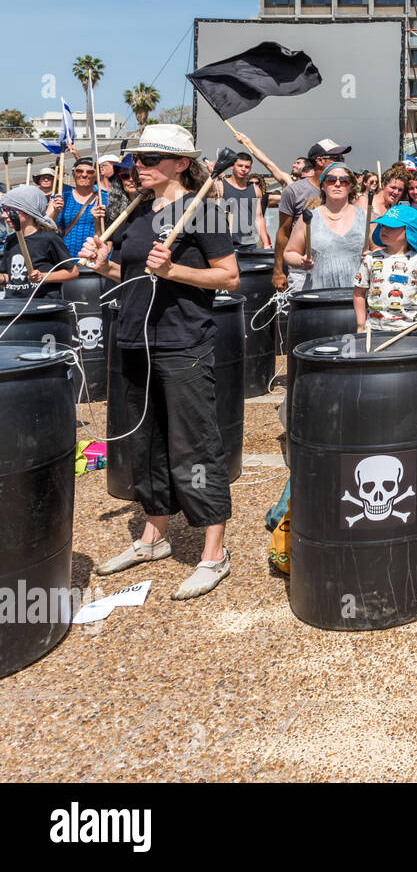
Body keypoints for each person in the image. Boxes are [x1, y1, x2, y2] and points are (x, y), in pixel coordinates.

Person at [78, 124, 238, 600]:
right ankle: (154, 537)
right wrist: (100, 264)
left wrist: (176, 270)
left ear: (181, 163)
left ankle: (214, 552)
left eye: (150, 158)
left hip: (183, 342)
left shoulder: (204, 211)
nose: (139, 166)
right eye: (137, 159)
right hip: (133, 339)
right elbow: (131, 273)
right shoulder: (139, 211)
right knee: (144, 444)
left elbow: (228, 278)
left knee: (195, 445)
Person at [273, 138, 350, 291]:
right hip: (303, 271)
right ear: (320, 160)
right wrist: (278, 271)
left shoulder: (343, 190)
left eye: (343, 158)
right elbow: (283, 232)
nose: (342, 162)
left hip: (335, 268)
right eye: (337, 158)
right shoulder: (295, 191)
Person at [284, 162, 368, 290]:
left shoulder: (366, 217)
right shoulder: (308, 218)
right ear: (322, 185)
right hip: (320, 298)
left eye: (344, 180)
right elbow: (289, 253)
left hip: (357, 297)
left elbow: (382, 251)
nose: (338, 184)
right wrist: (302, 261)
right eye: (331, 180)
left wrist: (372, 255)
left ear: (351, 186)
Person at [354, 204, 417, 333]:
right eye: (383, 225)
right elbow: (359, 293)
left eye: (391, 227)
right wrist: (360, 325)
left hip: (410, 329)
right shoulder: (371, 259)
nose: (384, 229)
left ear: (409, 231)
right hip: (374, 329)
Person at [0, 184, 76, 299]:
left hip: (42, 304)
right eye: (3, 210)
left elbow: (73, 272)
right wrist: (2, 278)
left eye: (9, 210)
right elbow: (11, 277)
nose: (4, 215)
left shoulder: (49, 238)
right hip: (14, 304)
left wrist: (43, 276)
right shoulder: (11, 240)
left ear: (28, 209)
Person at [53, 157, 109, 256]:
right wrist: (54, 211)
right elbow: (44, 227)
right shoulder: (61, 197)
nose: (84, 175)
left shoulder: (106, 199)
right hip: (64, 256)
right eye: (79, 171)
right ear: (74, 174)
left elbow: (112, 233)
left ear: (96, 176)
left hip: (93, 256)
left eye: (90, 172)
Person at [215, 152, 270, 248]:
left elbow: (259, 218)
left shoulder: (255, 190)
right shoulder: (220, 186)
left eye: (247, 167)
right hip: (226, 243)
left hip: (249, 243)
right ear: (232, 166)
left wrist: (266, 244)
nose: (243, 169)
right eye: (240, 166)